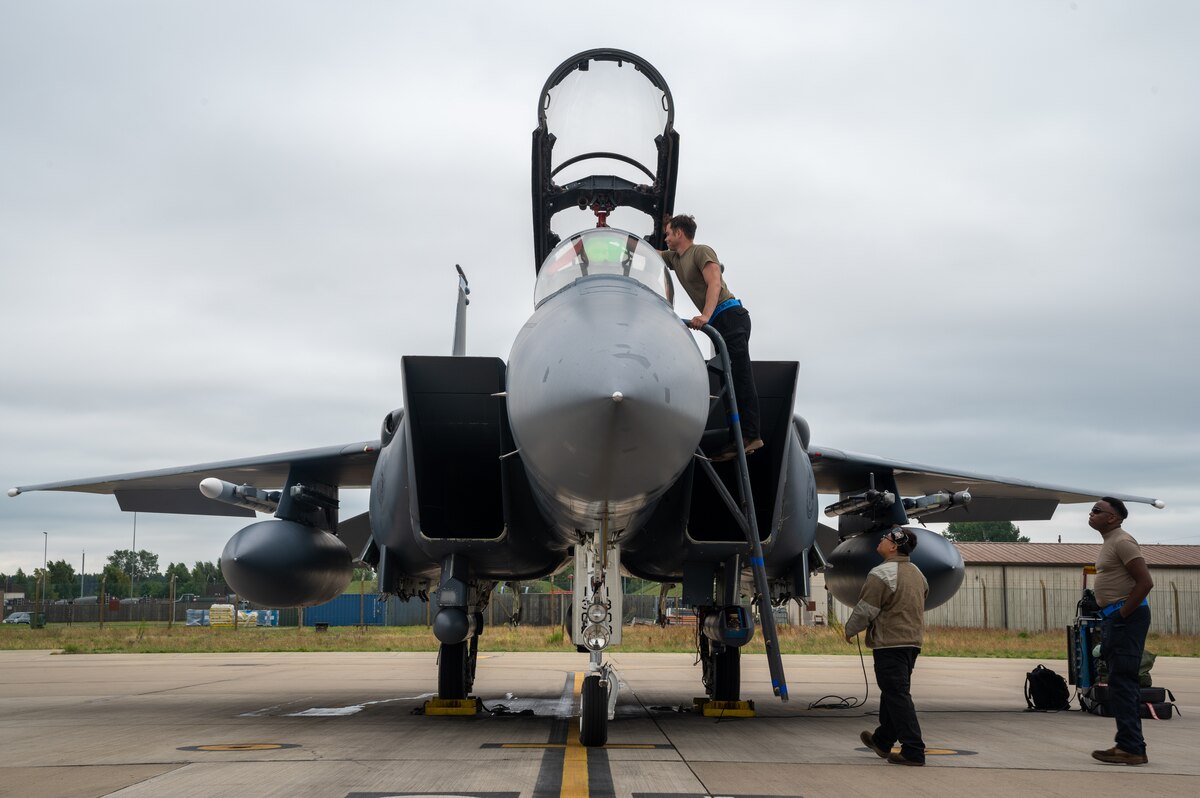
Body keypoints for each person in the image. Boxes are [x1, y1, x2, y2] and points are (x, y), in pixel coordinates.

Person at [660, 214, 761, 461]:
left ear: (680, 233)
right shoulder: (675, 257)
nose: (666, 238)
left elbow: (714, 283)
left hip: (730, 316)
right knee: (727, 377)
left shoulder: (701, 252)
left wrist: (705, 315)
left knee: (739, 374)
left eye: (668, 233)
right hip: (717, 323)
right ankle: (736, 438)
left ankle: (751, 435)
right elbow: (646, 252)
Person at [844, 526, 929, 766]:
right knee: (893, 694)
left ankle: (913, 750)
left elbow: (866, 609)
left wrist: (850, 630)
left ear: (894, 546)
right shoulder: (917, 573)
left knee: (897, 695)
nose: (881, 540)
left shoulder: (881, 574)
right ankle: (882, 741)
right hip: (912, 643)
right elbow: (923, 596)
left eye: (886, 538)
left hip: (889, 644)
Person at [1089, 496, 1154, 766]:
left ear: (1113, 518)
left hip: (1126, 619)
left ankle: (1132, 748)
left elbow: (1145, 582)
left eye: (1097, 510)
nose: (1091, 514)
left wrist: (1121, 615)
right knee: (1119, 683)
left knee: (1123, 682)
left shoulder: (1123, 542)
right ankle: (1127, 744)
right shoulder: (1110, 542)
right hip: (1116, 618)